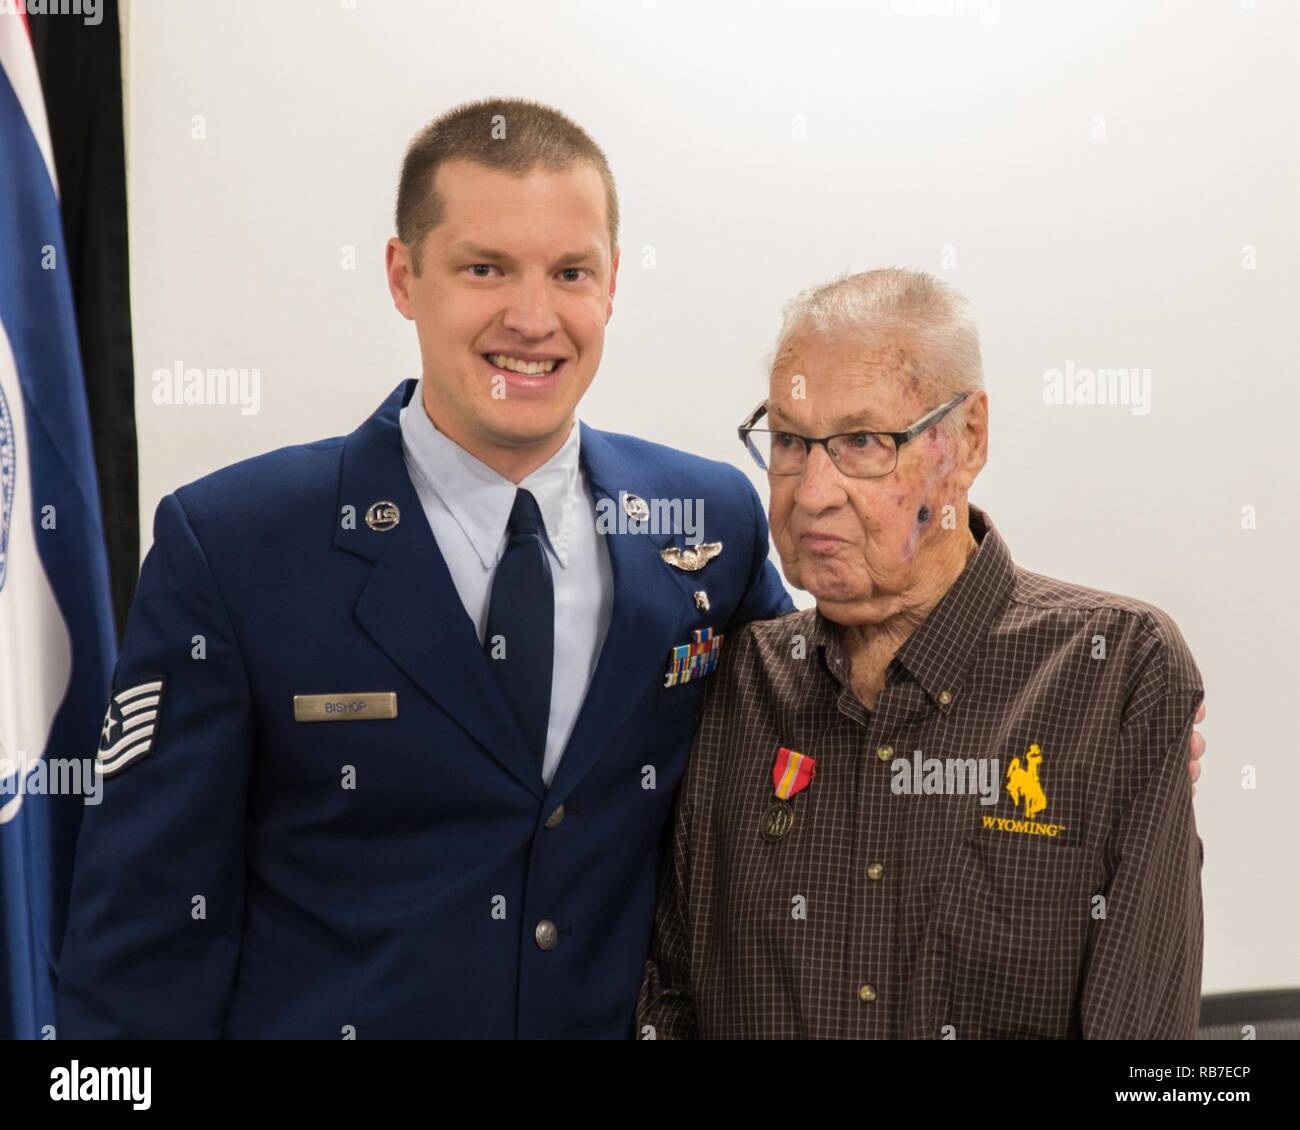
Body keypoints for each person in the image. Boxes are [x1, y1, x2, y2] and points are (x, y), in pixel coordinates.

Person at [57, 102, 1204, 1040]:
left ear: (613, 286)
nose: (530, 315)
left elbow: (825, 711)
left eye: (569, 270)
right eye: (484, 267)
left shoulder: (703, 523)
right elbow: (148, 929)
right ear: (406, 276)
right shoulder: (235, 540)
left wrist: (1115, 732)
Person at [637, 268, 1205, 1039]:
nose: (811, 494)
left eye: (864, 442)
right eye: (791, 442)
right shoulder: (734, 680)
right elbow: (667, 1000)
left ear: (967, 439)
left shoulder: (1115, 671)